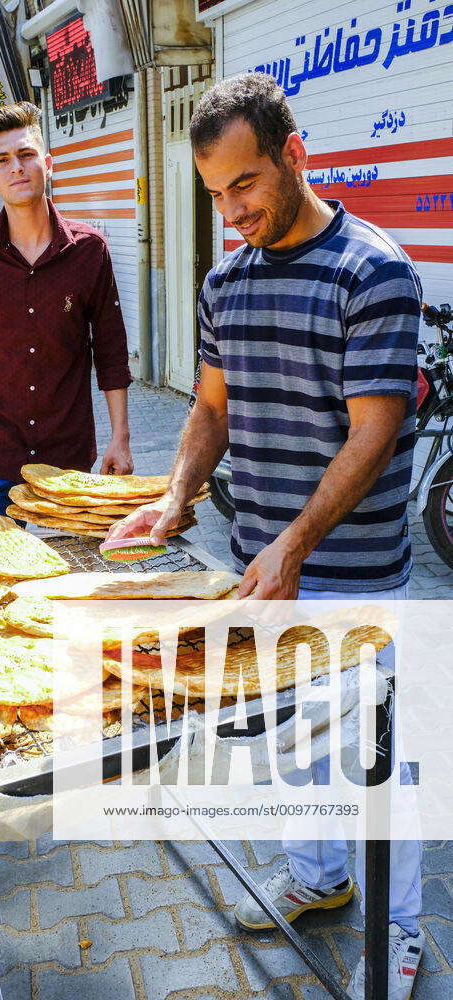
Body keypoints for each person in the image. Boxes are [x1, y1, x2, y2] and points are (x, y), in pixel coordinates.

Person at [106, 74, 423, 1000]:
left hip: (352, 570)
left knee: (377, 763)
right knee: (299, 743)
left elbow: (374, 431)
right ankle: (319, 880)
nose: (230, 209)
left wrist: (293, 544)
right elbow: (210, 408)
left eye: (244, 184)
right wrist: (173, 500)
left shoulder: (373, 270)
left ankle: (399, 932)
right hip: (262, 569)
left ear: (294, 154)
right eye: (213, 193)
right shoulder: (224, 280)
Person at [0, 101, 133, 516]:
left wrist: (120, 437)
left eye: (26, 154)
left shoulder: (89, 250)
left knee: (73, 575)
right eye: (2, 160)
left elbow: (110, 347)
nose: (16, 167)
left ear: (48, 163)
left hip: (68, 454)